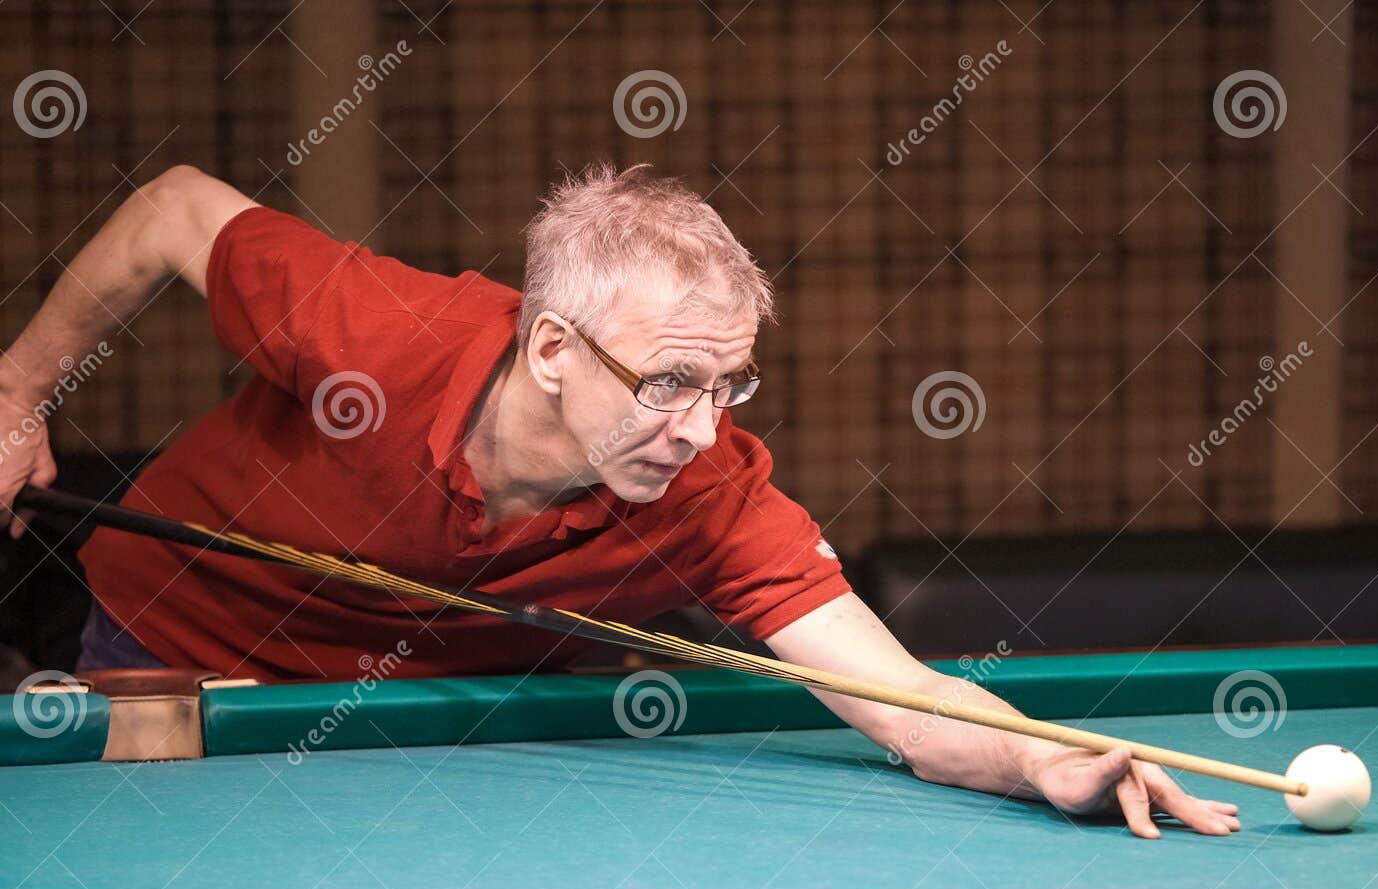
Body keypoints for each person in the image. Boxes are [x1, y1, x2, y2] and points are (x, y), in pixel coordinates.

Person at [0, 162, 1239, 839]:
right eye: (667, 382)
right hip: (169, 653)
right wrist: (16, 391)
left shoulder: (708, 495)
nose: (701, 426)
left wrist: (1042, 759)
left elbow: (901, 699)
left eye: (728, 381)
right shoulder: (375, 331)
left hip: (427, 743)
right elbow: (170, 209)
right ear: (550, 348)